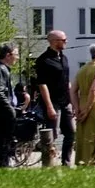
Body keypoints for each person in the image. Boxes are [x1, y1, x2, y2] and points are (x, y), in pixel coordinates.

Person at [32, 30, 74, 167]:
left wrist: (72, 101)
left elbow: (67, 81)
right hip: (53, 102)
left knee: (70, 132)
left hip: (65, 101)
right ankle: (48, 162)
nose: (66, 42)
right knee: (52, 134)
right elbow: (42, 84)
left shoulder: (64, 58)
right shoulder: (44, 60)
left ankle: (66, 162)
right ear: (54, 41)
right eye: (64, 39)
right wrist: (49, 106)